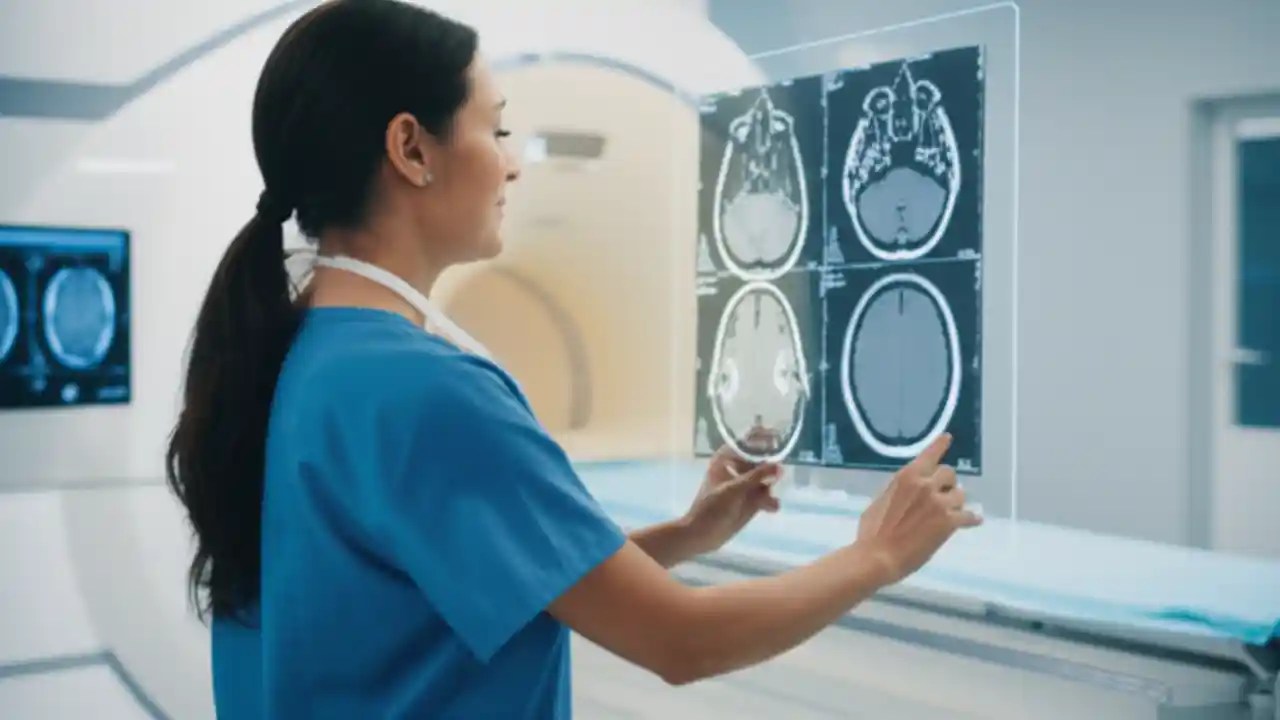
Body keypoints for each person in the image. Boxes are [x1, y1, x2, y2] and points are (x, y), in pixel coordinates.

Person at [164, 1, 982, 717]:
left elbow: (470, 576)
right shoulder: (424, 390)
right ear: (412, 149)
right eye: (497, 128)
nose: (514, 161)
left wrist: (685, 536)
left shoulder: (296, 352)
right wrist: (876, 554)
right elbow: (681, 643)